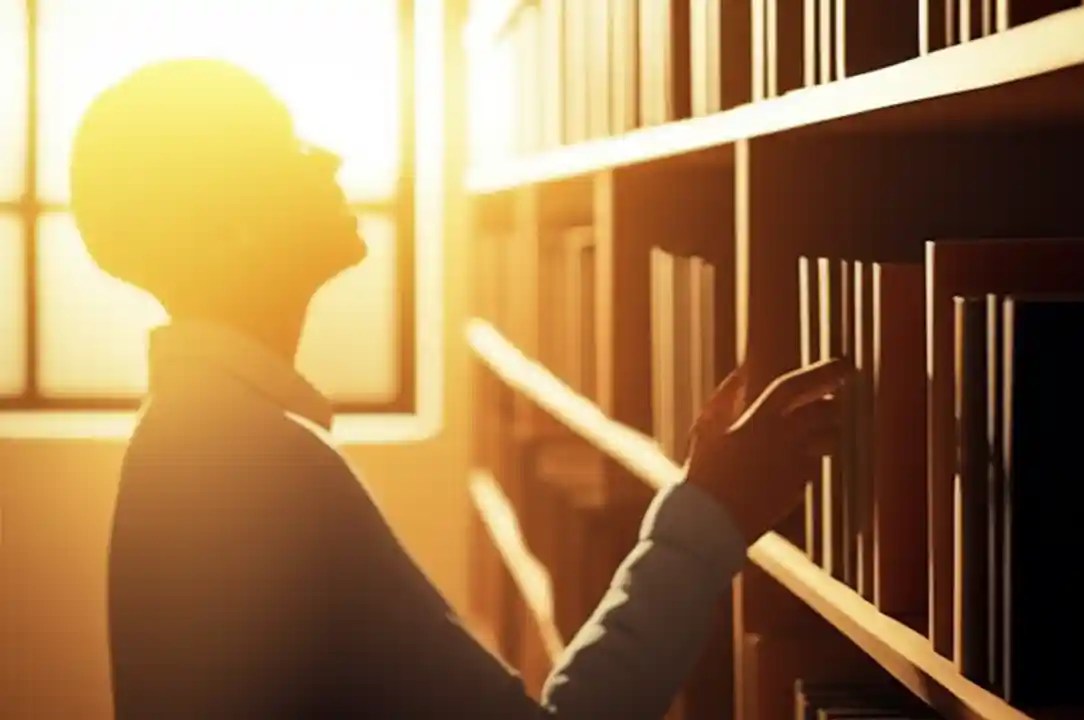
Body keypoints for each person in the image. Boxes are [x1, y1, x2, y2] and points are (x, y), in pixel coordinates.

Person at [76, 59, 848, 718]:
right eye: (288, 146)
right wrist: (709, 516)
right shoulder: (252, 464)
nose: (330, 159)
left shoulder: (194, 436)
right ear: (228, 224)